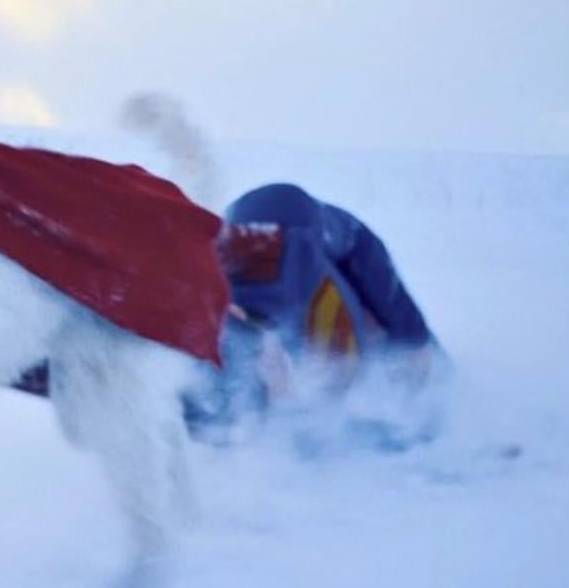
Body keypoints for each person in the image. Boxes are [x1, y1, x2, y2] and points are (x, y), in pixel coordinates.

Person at [186, 183, 446, 448]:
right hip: (259, 283)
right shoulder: (223, 296)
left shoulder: (319, 272)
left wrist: (414, 339)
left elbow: (388, 307)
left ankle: (431, 382)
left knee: (388, 346)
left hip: (321, 254)